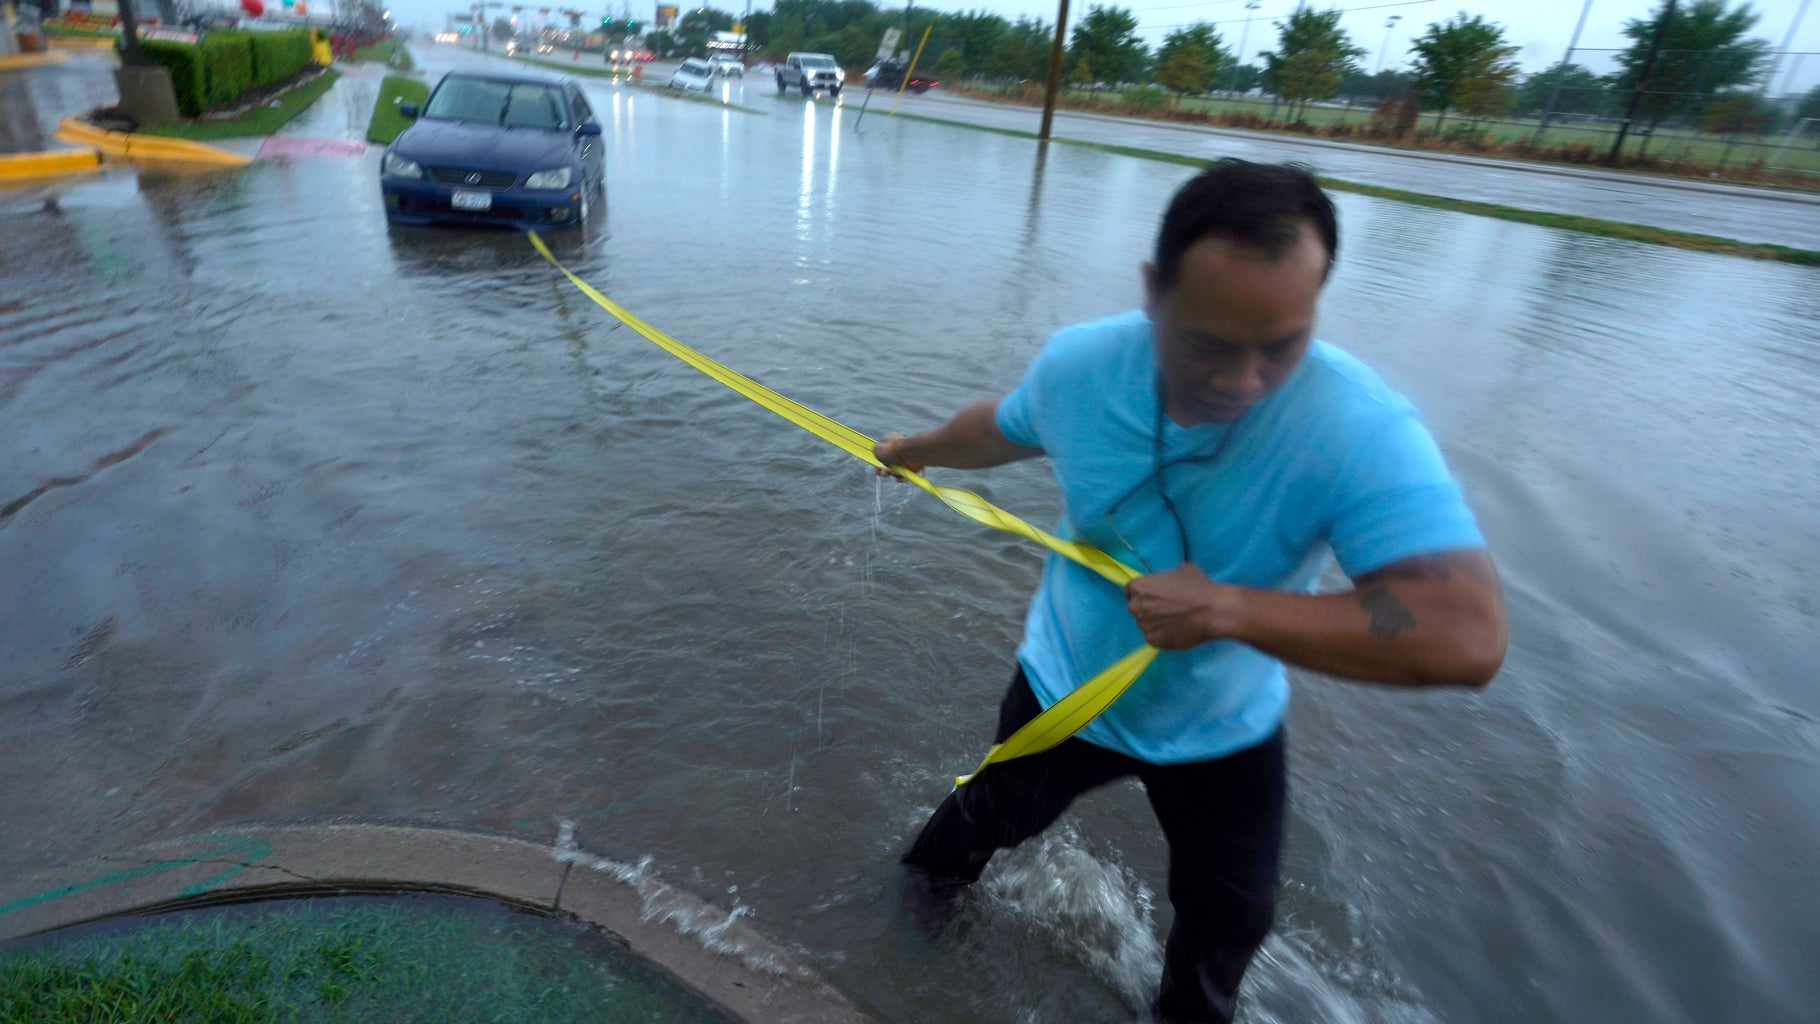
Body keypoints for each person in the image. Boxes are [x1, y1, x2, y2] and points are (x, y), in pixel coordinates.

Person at [873, 159, 1507, 1024]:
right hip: (1069, 688)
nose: (1242, 382)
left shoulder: (1354, 425)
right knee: (969, 832)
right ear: (1153, 292)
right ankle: (899, 960)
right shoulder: (1082, 368)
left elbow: (1467, 632)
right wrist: (912, 451)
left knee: (1228, 922)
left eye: (1279, 347)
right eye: (1207, 344)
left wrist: (1227, 610)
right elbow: (1002, 427)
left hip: (1224, 722)